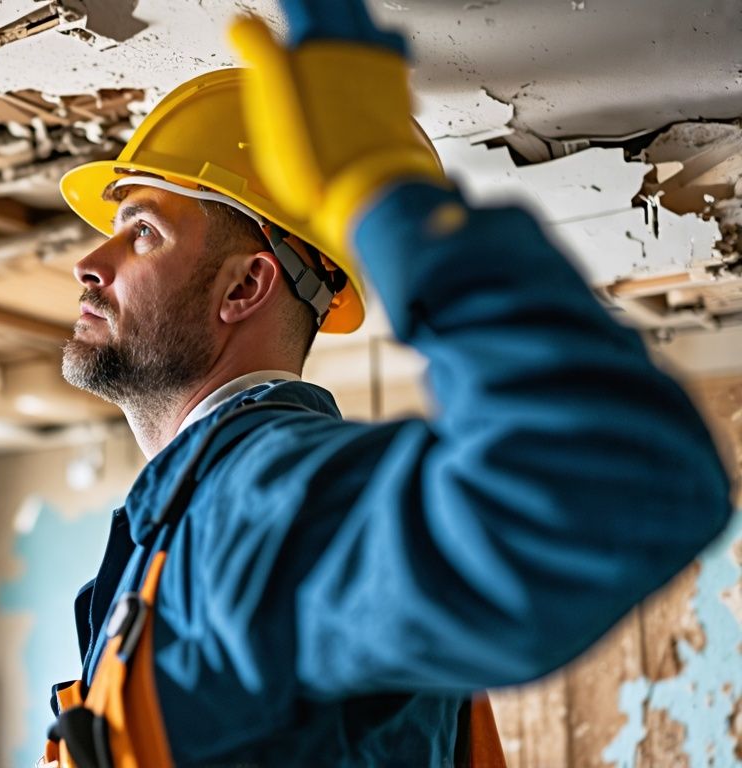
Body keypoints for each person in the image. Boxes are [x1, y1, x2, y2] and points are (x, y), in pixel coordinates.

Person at [43, 0, 735, 765]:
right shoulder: (179, 526)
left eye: (143, 230)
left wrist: (385, 193)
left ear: (244, 288)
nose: (90, 262)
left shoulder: (261, 506)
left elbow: (617, 486)